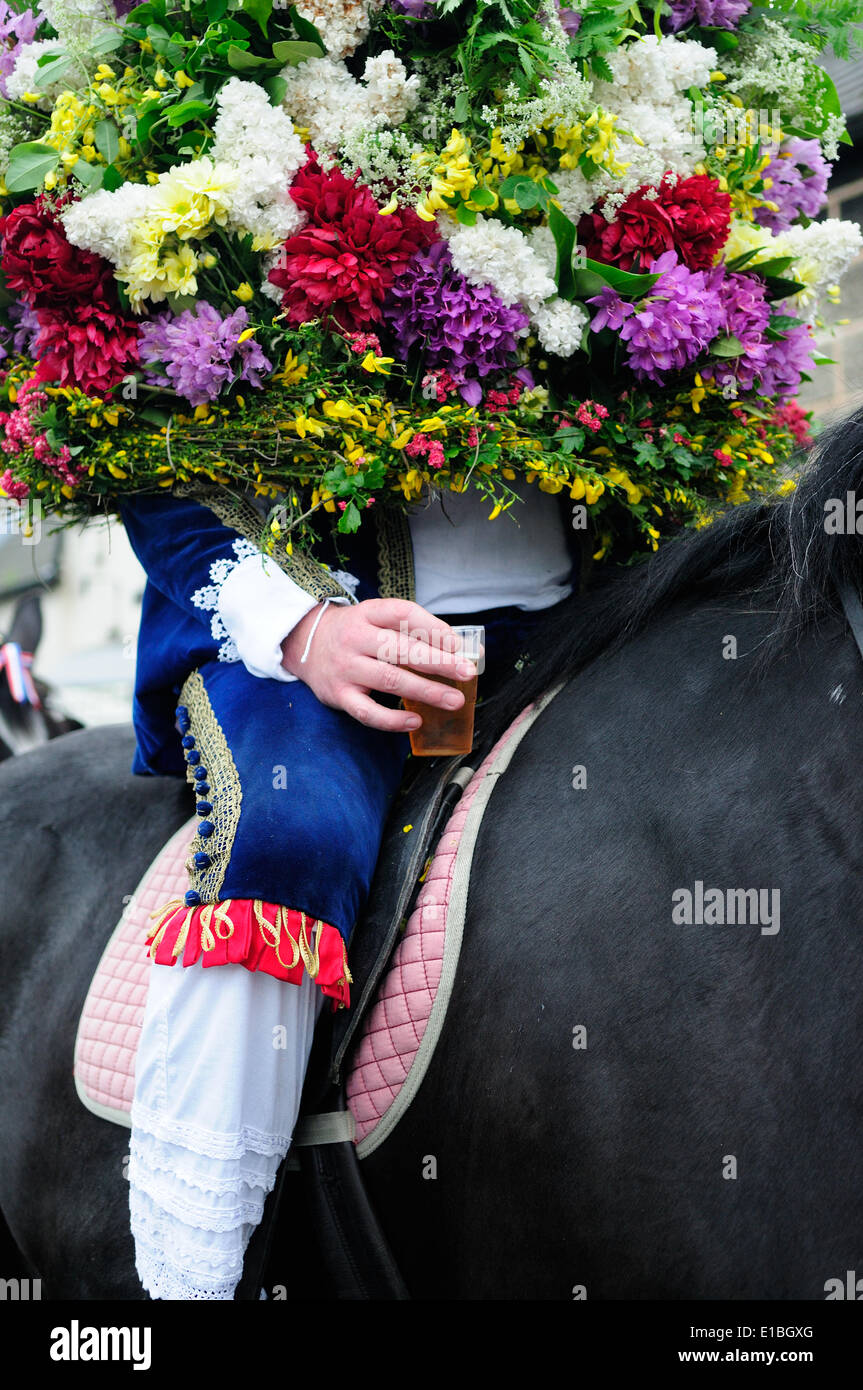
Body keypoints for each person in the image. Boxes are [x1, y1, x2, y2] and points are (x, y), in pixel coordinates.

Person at [120, 476, 579, 1299]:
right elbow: (146, 458)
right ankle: (195, 1276)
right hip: (311, 632)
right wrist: (304, 627)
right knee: (293, 840)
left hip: (588, 610)